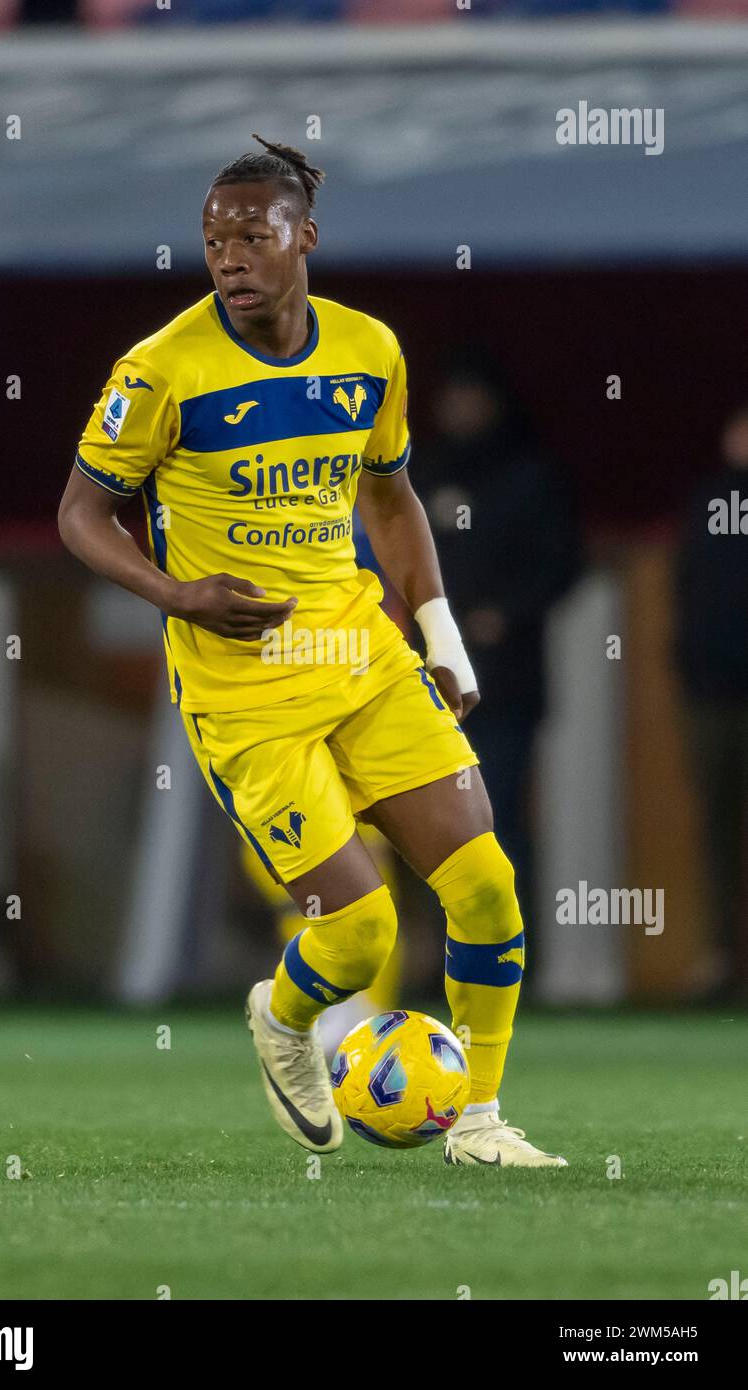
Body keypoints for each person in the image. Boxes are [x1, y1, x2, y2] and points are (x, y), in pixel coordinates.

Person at [58, 136, 566, 1167]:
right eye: (212, 240)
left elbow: (387, 494)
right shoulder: (160, 370)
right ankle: (283, 1020)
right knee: (362, 936)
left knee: (484, 888)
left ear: (305, 238)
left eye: (251, 235)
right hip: (245, 696)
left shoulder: (368, 349)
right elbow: (79, 513)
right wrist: (177, 593)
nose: (229, 257)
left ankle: (475, 1120)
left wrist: (437, 634)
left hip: (363, 657)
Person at [415, 354, 580, 926]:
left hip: (503, 681)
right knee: (427, 824)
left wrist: (503, 614)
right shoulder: (425, 472)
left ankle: (508, 958)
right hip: (423, 681)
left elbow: (561, 564)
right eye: (450, 396)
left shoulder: (529, 477)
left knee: (496, 817)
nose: (458, 408)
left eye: (470, 395)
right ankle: (432, 957)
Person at [675, 405, 748, 999]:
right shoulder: (705, 501)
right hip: (714, 695)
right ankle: (721, 957)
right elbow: (687, 591)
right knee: (717, 835)